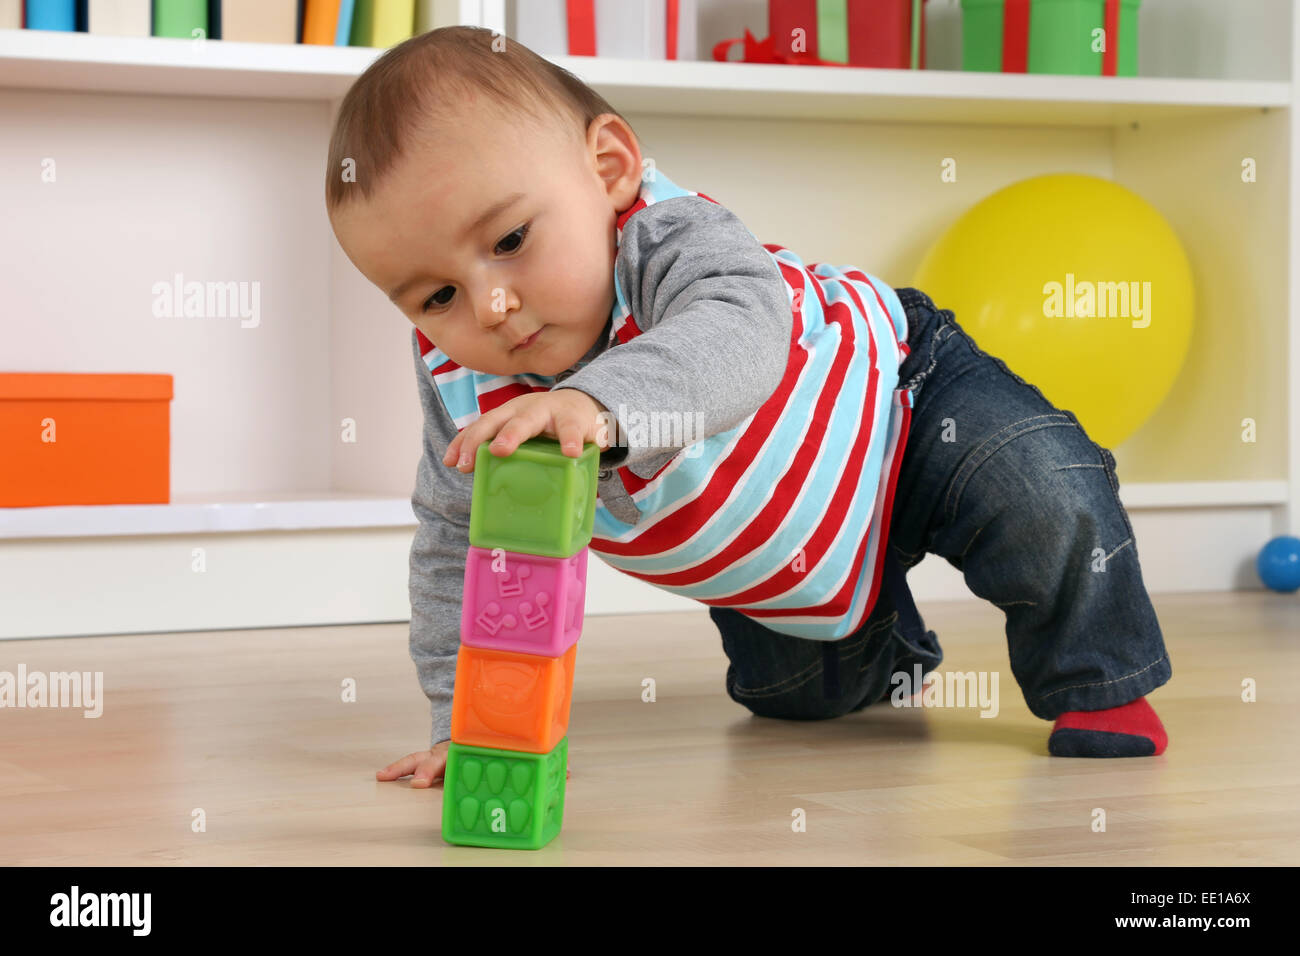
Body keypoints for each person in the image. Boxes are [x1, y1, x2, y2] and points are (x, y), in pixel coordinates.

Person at [324, 26, 1171, 790]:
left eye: (510, 242)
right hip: (780, 534)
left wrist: (598, 402)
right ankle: (886, 644)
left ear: (610, 169)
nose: (491, 307)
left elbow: (737, 343)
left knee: (1036, 481)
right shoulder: (465, 387)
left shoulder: (668, 239)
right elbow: (457, 549)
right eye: (437, 295)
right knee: (801, 698)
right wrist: (468, 724)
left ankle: (1096, 679)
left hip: (899, 402)